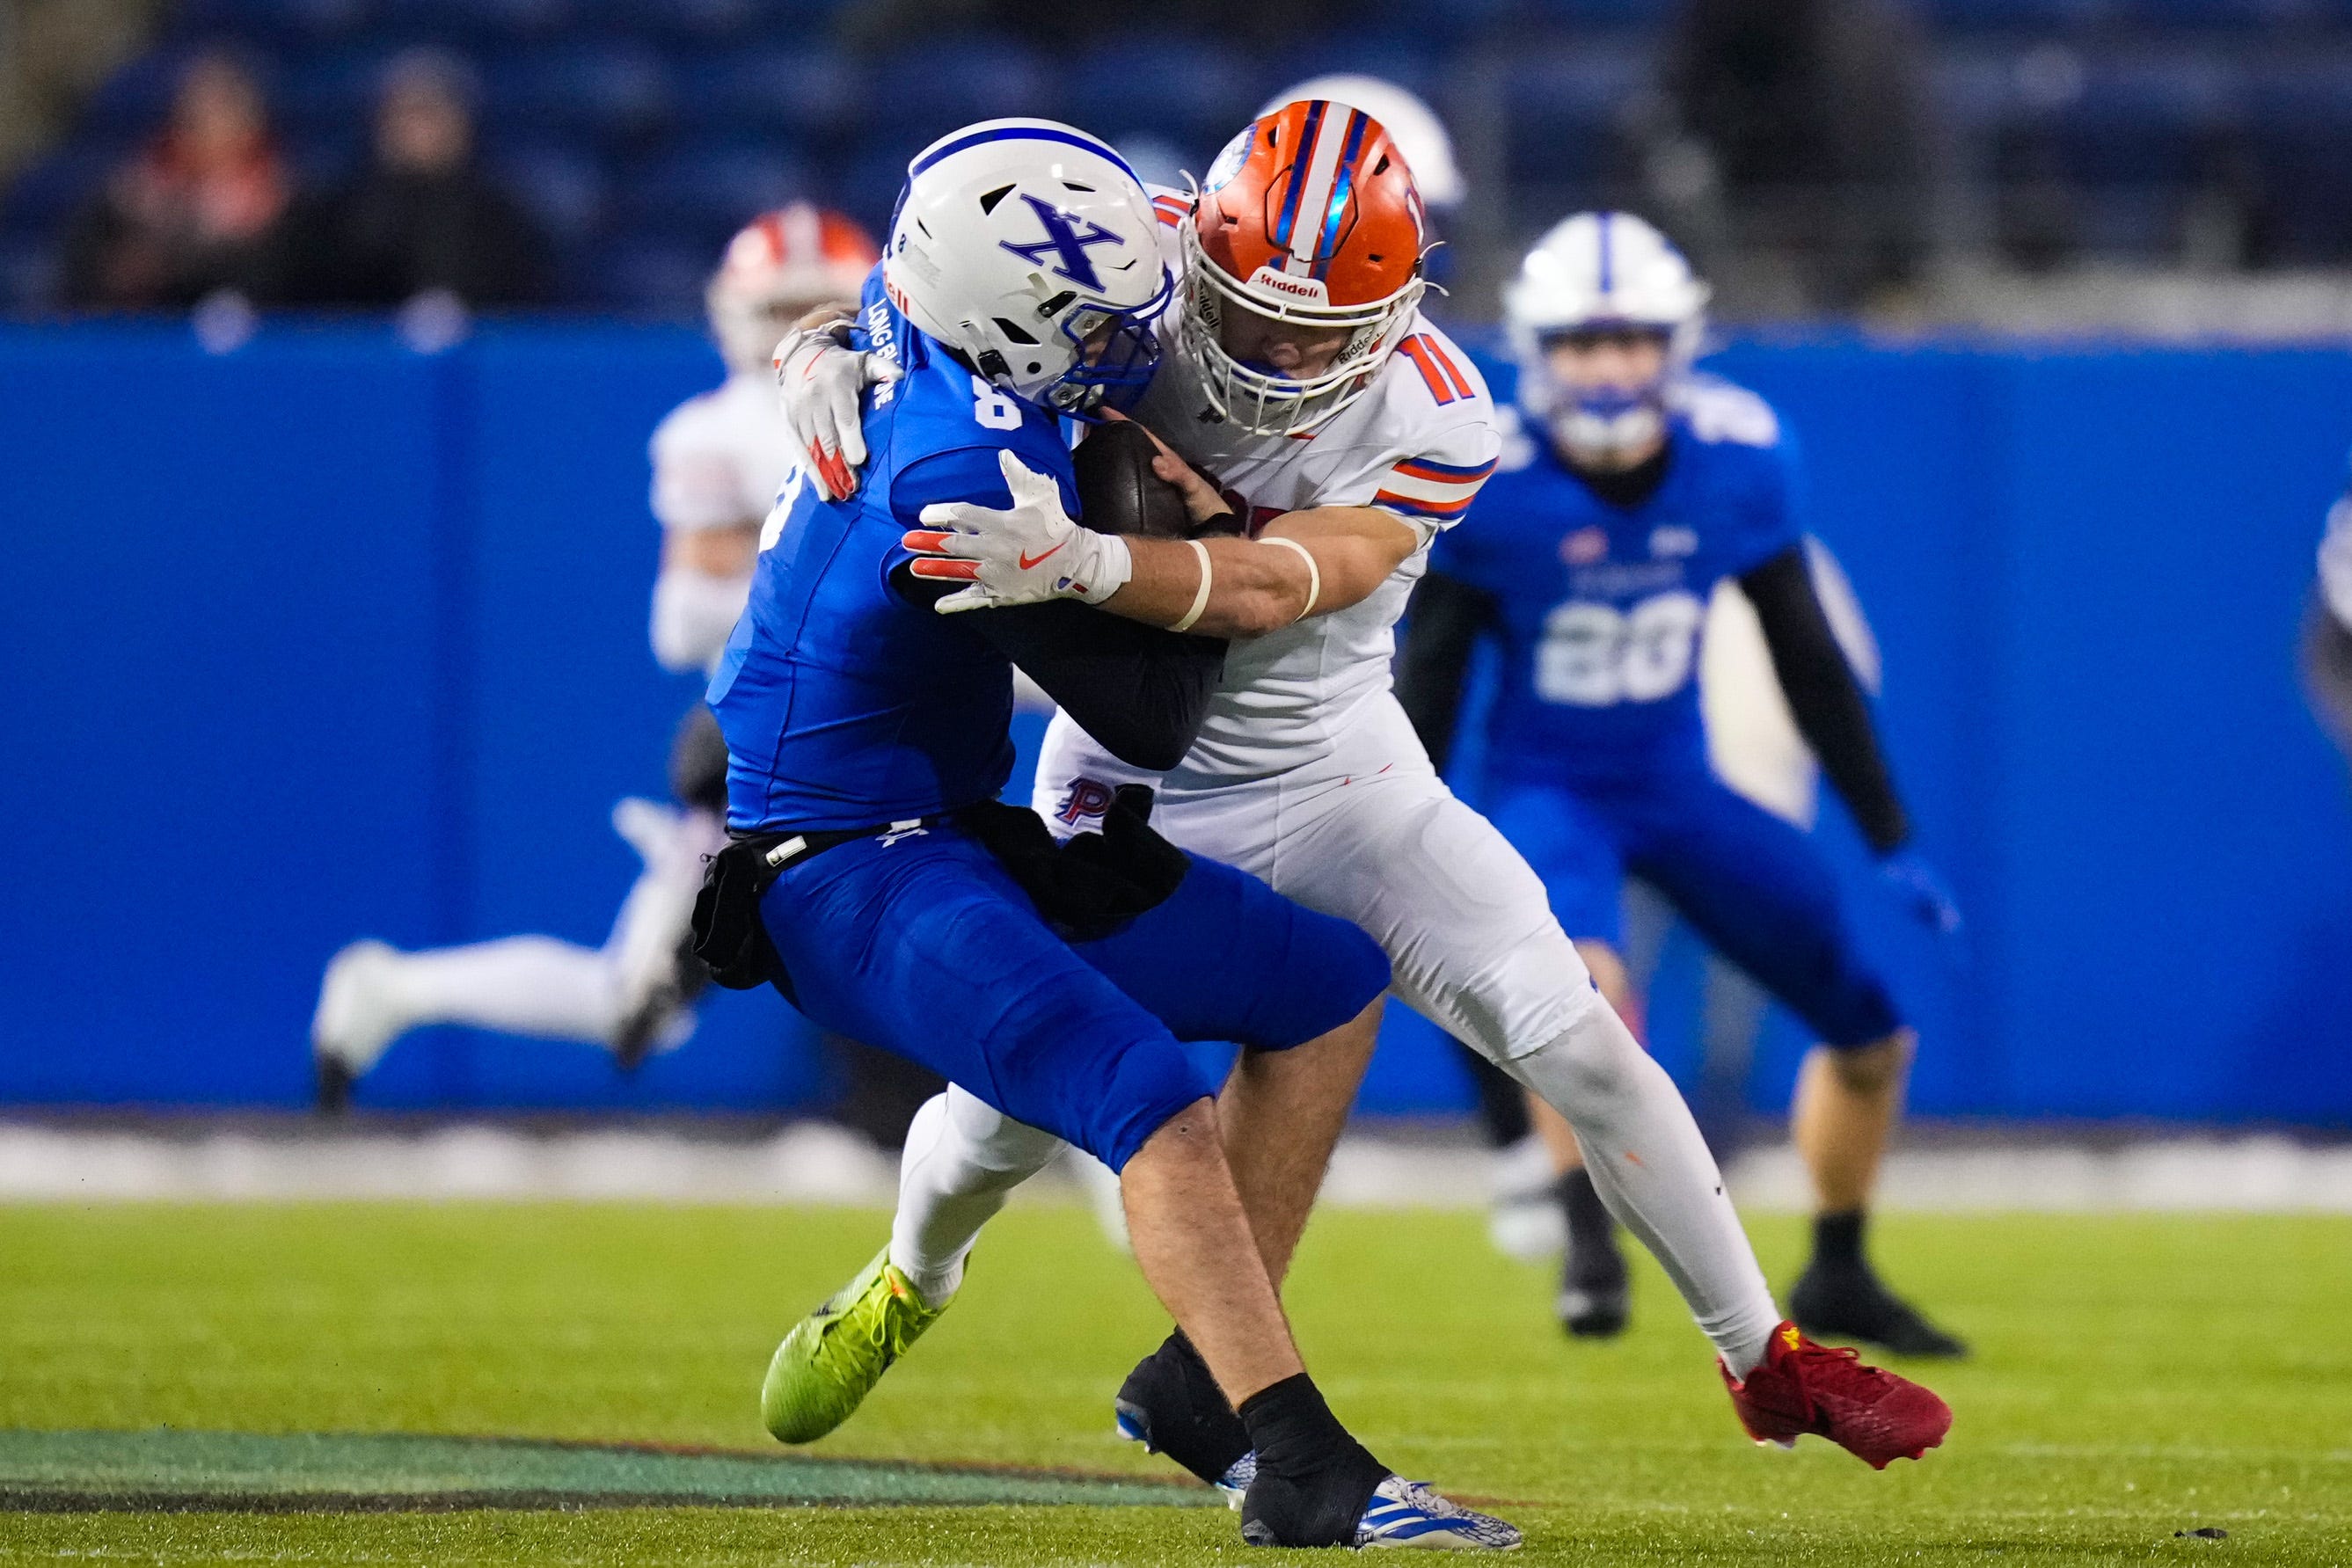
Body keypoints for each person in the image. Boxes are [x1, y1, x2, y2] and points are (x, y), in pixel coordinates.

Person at [768, 101, 1953, 1487]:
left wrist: (1087, 563)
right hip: (1128, 776)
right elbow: (945, 276)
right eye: (1252, 318)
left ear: (1398, 310)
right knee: (1004, 1107)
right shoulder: (1136, 258)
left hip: (1342, 770)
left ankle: (1764, 1357)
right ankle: (912, 1276)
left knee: (1578, 1040)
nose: (1281, 358)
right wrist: (832, 344)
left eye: (1320, 334)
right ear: (1199, 260)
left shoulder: (1439, 406)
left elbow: (1281, 582)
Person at [719, 116, 1516, 1550]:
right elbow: (1152, 715)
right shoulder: (954, 474)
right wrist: (1189, 533)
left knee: (1331, 983)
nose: (1135, 340)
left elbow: (893, 294)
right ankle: (1295, 1458)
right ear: (1015, 327)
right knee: (1138, 1082)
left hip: (949, 822)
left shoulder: (923, 320)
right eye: (1096, 324)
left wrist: (815, 341)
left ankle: (1172, 1370)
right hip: (840, 861)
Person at [1393, 211, 1967, 1358]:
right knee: (1582, 992)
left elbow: (1806, 654)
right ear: (1538, 350)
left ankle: (1840, 1262)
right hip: (1547, 785)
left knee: (1868, 1029)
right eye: (1581, 341)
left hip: (1676, 782)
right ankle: (1587, 1238)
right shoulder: (1489, 477)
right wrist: (1399, 832)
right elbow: (1430, 682)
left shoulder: (1735, 458)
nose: (1607, 366)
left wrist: (1886, 830)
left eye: (1629, 339)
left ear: (1677, 345)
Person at [310, 206, 877, 1112]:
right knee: (637, 1002)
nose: (801, 331)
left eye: (821, 308)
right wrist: (839, 594)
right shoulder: (719, 430)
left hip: (857, 738)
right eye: (781, 309)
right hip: (774, 749)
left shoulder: (898, 411)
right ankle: (394, 989)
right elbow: (683, 621)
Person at [286, 50, 551, 312]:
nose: (417, 129)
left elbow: (527, 309)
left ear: (462, 124)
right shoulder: (336, 213)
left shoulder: (502, 218)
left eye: (430, 113)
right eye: (404, 113)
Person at [61, 49, 291, 310]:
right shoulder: (133, 196)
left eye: (216, 111)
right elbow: (88, 270)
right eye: (192, 114)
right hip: (140, 326)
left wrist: (173, 263)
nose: (200, 126)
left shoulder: (283, 205)